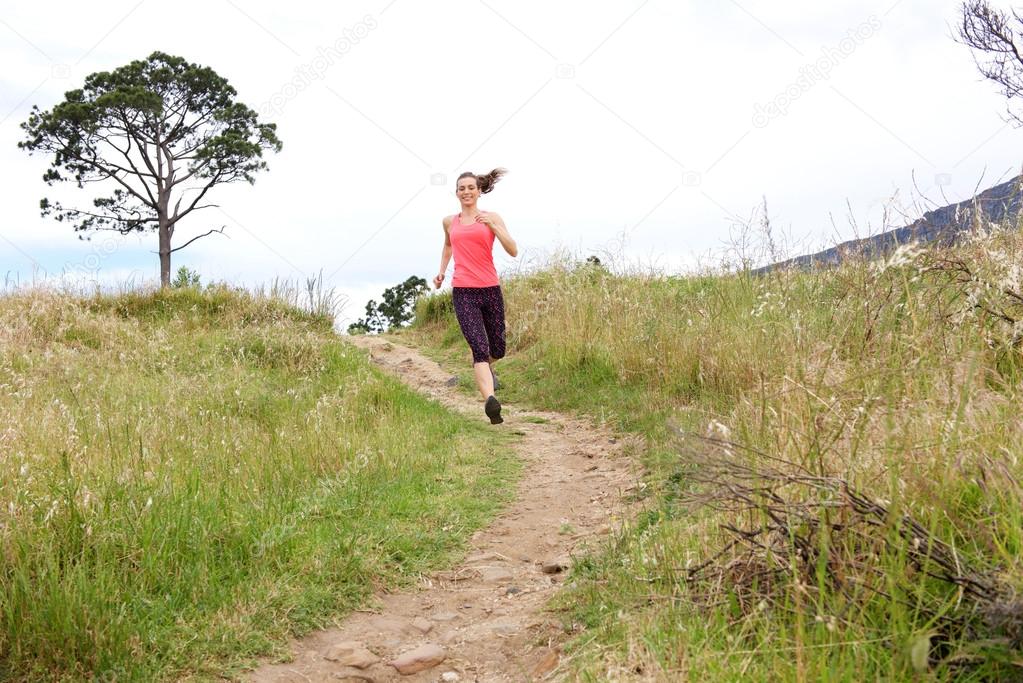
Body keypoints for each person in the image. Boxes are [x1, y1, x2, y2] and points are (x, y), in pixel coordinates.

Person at [433, 167, 518, 424]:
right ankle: (491, 402)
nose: (466, 192)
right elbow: (448, 245)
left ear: (479, 191)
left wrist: (493, 226)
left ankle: (480, 365)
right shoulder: (450, 221)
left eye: (471, 188)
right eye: (461, 188)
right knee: (480, 349)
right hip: (463, 291)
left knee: (498, 349)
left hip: (490, 288)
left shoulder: (492, 217)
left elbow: (512, 250)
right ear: (456, 193)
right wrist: (441, 272)